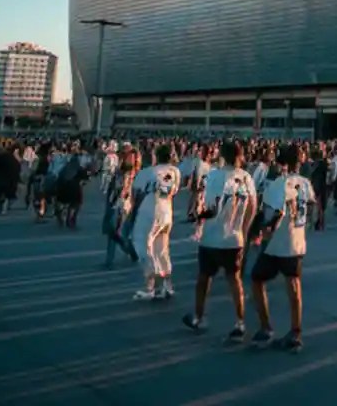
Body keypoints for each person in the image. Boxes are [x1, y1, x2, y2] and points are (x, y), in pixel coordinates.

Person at [184, 140, 257, 341]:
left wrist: (199, 217)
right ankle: (240, 322)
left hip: (211, 236)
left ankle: (199, 316)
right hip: (234, 238)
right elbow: (252, 206)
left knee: (204, 278)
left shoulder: (214, 176)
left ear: (222, 156)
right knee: (234, 280)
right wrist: (244, 228)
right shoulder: (246, 178)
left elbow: (209, 205)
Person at [248, 144, 313, 352]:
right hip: (297, 239)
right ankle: (296, 332)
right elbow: (311, 205)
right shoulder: (305, 183)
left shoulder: (278, 185)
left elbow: (275, 213)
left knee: (257, 279)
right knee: (294, 284)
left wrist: (263, 231)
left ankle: (266, 327)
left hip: (278, 242)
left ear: (280, 163)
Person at [129, 144, 180, 300]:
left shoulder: (147, 172)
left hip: (149, 210)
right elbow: (175, 191)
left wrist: (132, 215)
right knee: (162, 249)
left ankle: (151, 286)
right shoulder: (175, 171)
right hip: (167, 211)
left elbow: (136, 194)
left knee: (143, 246)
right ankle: (167, 284)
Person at [102, 149, 139, 268]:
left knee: (115, 233)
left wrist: (113, 202)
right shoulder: (122, 172)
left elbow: (122, 191)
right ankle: (128, 252)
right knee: (116, 233)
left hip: (121, 206)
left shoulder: (128, 174)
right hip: (121, 205)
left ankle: (117, 257)